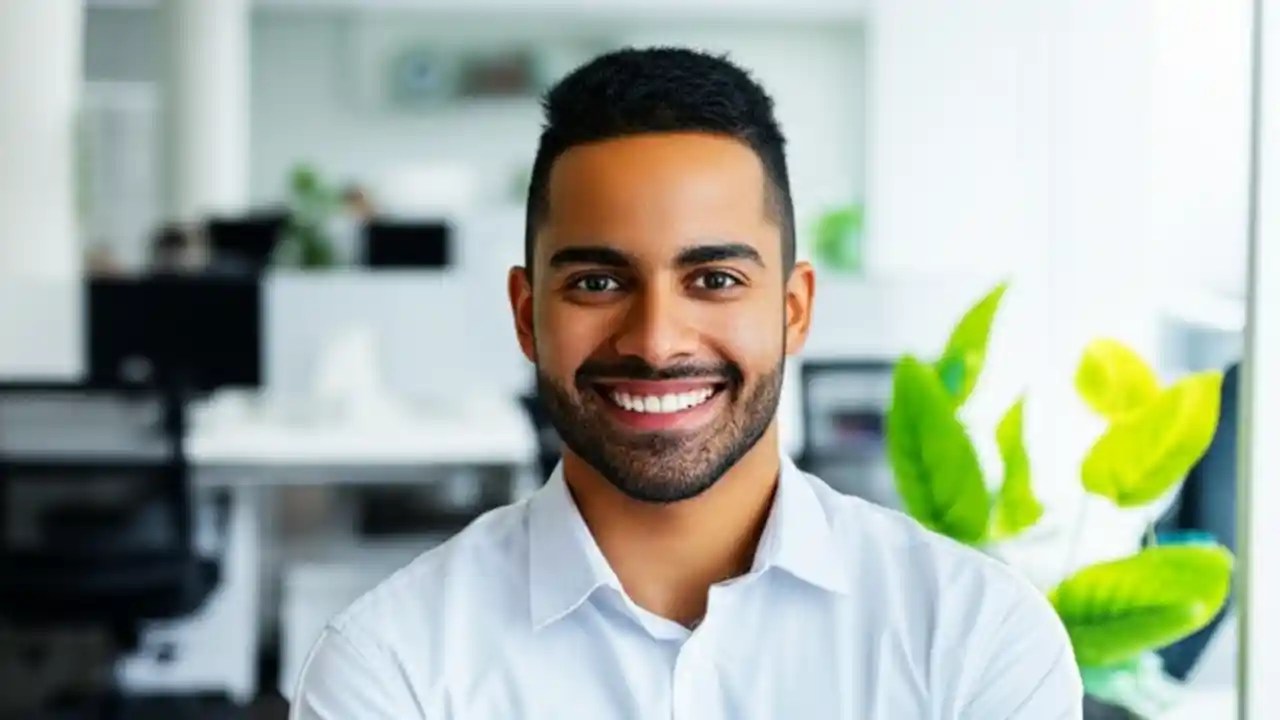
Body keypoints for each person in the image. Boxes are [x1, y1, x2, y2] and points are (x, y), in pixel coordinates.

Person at [290, 47, 1082, 719]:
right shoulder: (392, 671)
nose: (656, 342)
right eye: (599, 283)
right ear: (527, 315)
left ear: (795, 308)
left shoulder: (977, 639)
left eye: (714, 279)